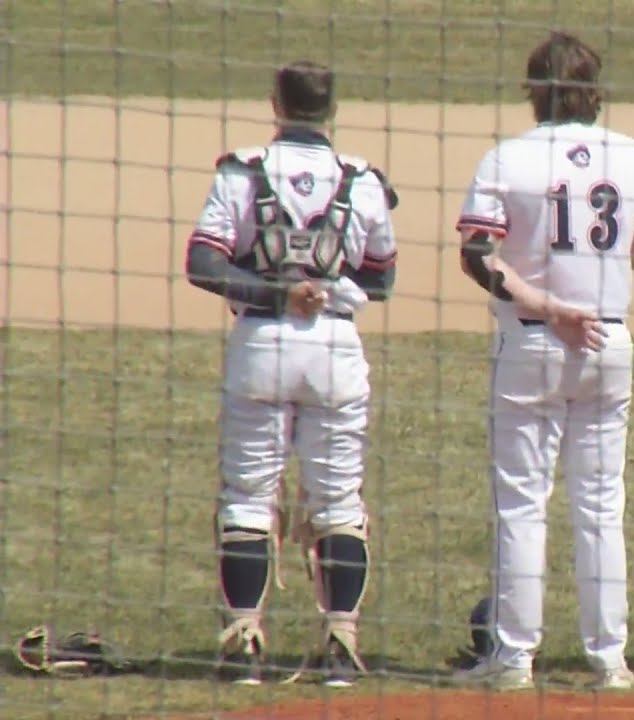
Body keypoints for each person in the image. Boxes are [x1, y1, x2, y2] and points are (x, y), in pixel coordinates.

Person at [452, 31, 634, 692]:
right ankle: (611, 660)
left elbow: (476, 255)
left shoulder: (509, 157)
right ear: (593, 90)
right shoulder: (627, 154)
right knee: (601, 506)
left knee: (522, 505)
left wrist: (547, 300)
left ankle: (513, 659)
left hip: (535, 344)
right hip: (609, 342)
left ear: (533, 92)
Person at [184, 60, 398, 688]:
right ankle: (339, 643)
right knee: (338, 503)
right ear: (331, 109)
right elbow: (381, 278)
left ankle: (244, 643)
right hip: (334, 350)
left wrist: (279, 292)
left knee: (248, 499)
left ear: (275, 102)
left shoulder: (242, 171)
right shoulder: (362, 180)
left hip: (260, 345)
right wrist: (321, 287)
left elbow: (203, 262)